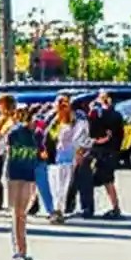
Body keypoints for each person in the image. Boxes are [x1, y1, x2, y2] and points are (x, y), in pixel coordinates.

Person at [0, 97, 38, 260]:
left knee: (22, 213)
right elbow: (1, 148)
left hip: (28, 174)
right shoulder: (15, 132)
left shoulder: (34, 136)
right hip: (14, 174)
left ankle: (23, 250)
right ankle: (18, 250)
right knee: (17, 213)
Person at [44, 95, 89, 225]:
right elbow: (47, 138)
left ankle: (59, 212)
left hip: (67, 158)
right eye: (59, 104)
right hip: (53, 158)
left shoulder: (77, 121)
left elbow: (83, 139)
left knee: (62, 186)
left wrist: (80, 152)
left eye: (64, 104)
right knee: (54, 186)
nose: (61, 106)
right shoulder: (54, 121)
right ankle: (56, 210)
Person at [88, 91, 125, 219]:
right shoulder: (117, 115)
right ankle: (115, 207)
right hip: (112, 151)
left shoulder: (103, 114)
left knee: (95, 179)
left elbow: (96, 131)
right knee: (107, 181)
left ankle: (90, 207)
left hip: (102, 151)